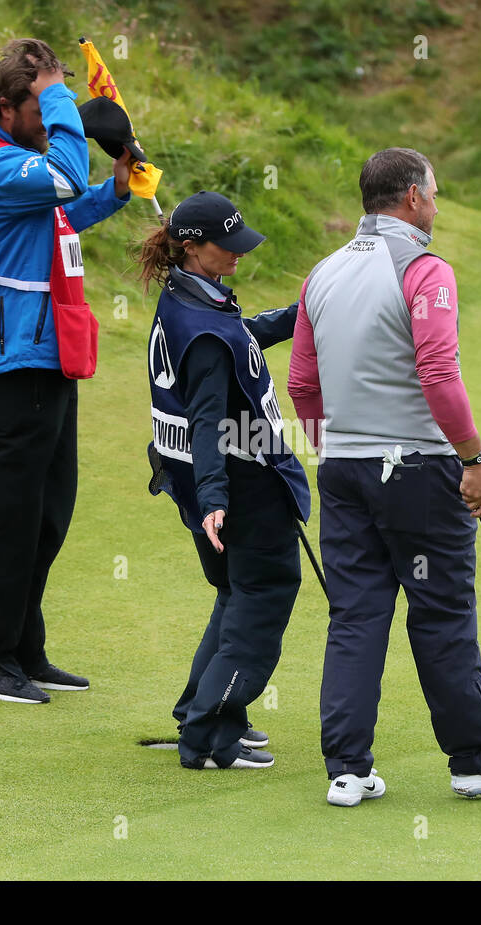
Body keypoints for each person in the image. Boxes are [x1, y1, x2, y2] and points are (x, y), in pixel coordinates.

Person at [287, 147, 481, 805]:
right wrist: (473, 458)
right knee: (440, 611)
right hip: (419, 470)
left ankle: (347, 770)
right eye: (433, 194)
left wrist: (336, 449)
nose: (436, 205)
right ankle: (475, 760)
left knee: (356, 614)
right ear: (411, 198)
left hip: (345, 470)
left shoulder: (320, 273)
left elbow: (301, 382)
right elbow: (438, 374)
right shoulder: (424, 268)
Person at [0, 38, 137, 704]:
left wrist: (119, 188)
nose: (51, 115)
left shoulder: (16, 161)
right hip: (14, 362)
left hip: (45, 356)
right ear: (7, 107)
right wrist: (66, 96)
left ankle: (21, 646)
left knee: (47, 513)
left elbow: (62, 210)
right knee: (9, 517)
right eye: (41, 103)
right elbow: (62, 180)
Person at [138, 191, 309, 769]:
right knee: (261, 599)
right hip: (239, 487)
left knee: (235, 594)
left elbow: (243, 338)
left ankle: (201, 709)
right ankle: (210, 737)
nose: (238, 253)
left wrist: (299, 313)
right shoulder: (205, 329)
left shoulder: (188, 301)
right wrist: (217, 500)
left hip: (194, 484)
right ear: (191, 247)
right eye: (225, 244)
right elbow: (208, 422)